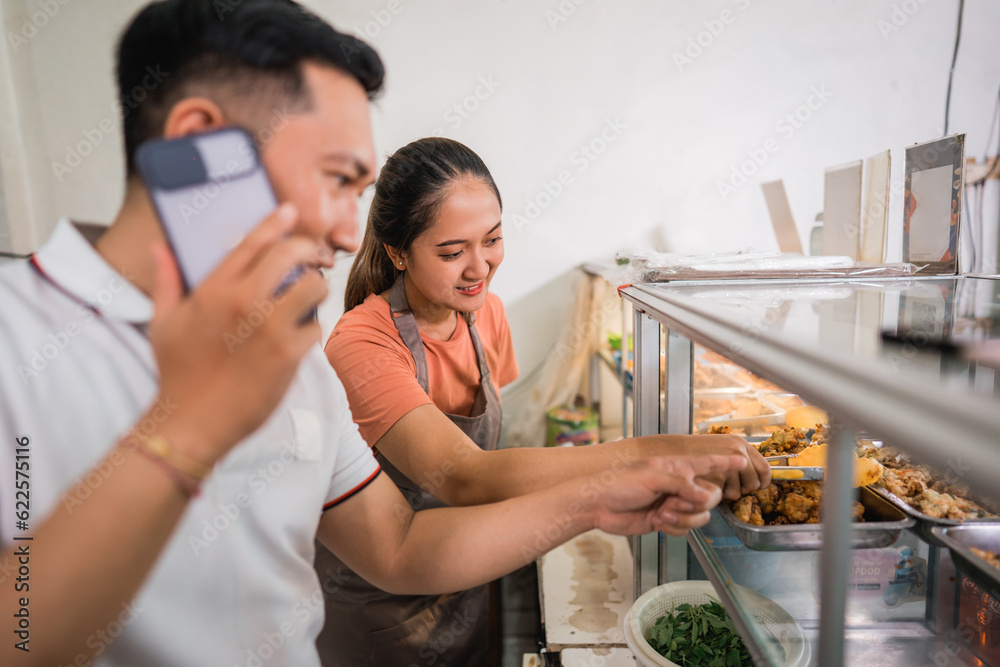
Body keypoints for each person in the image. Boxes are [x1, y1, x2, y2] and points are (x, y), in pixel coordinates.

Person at [0, 2, 750, 666]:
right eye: (335, 179)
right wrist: (190, 428)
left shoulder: (294, 360)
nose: (340, 231)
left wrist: (594, 500)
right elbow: (19, 631)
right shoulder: (18, 337)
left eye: (357, 194)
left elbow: (397, 546)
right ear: (201, 146)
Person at [318, 137, 772, 665]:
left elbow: (489, 464)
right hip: (383, 609)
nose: (479, 267)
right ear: (397, 251)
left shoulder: (485, 316)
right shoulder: (362, 345)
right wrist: (656, 453)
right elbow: (465, 475)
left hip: (467, 569)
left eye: (492, 240)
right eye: (451, 252)